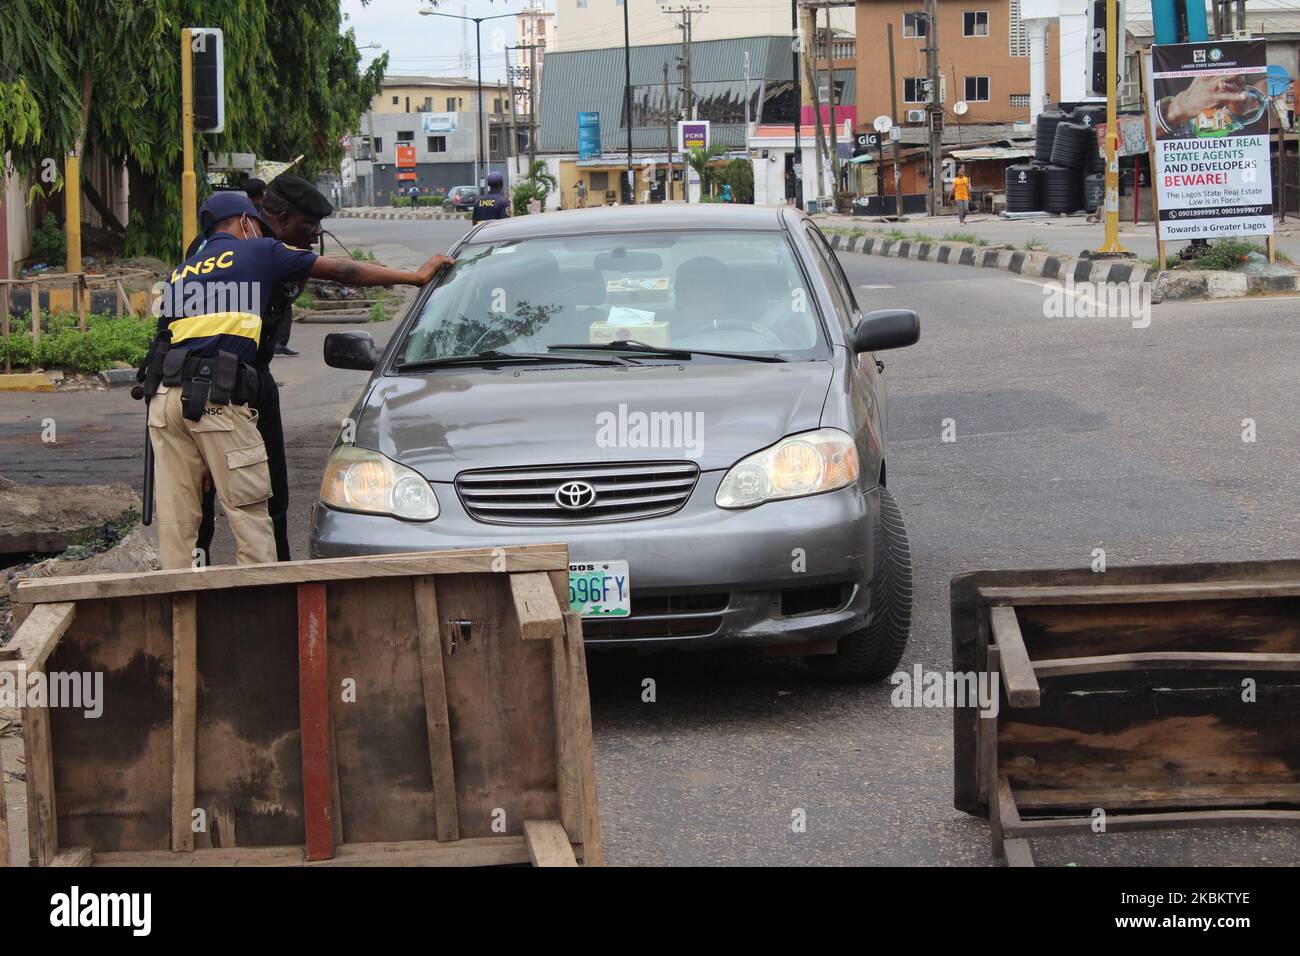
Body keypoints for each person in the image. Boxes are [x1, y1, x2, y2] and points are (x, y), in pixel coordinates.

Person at [143, 192, 452, 570]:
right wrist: (414, 276)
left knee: (177, 521)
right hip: (217, 402)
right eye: (256, 223)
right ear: (244, 222)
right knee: (250, 513)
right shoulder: (260, 251)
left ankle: (181, 614)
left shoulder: (181, 271)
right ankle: (260, 607)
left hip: (165, 405)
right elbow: (344, 272)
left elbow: (161, 346)